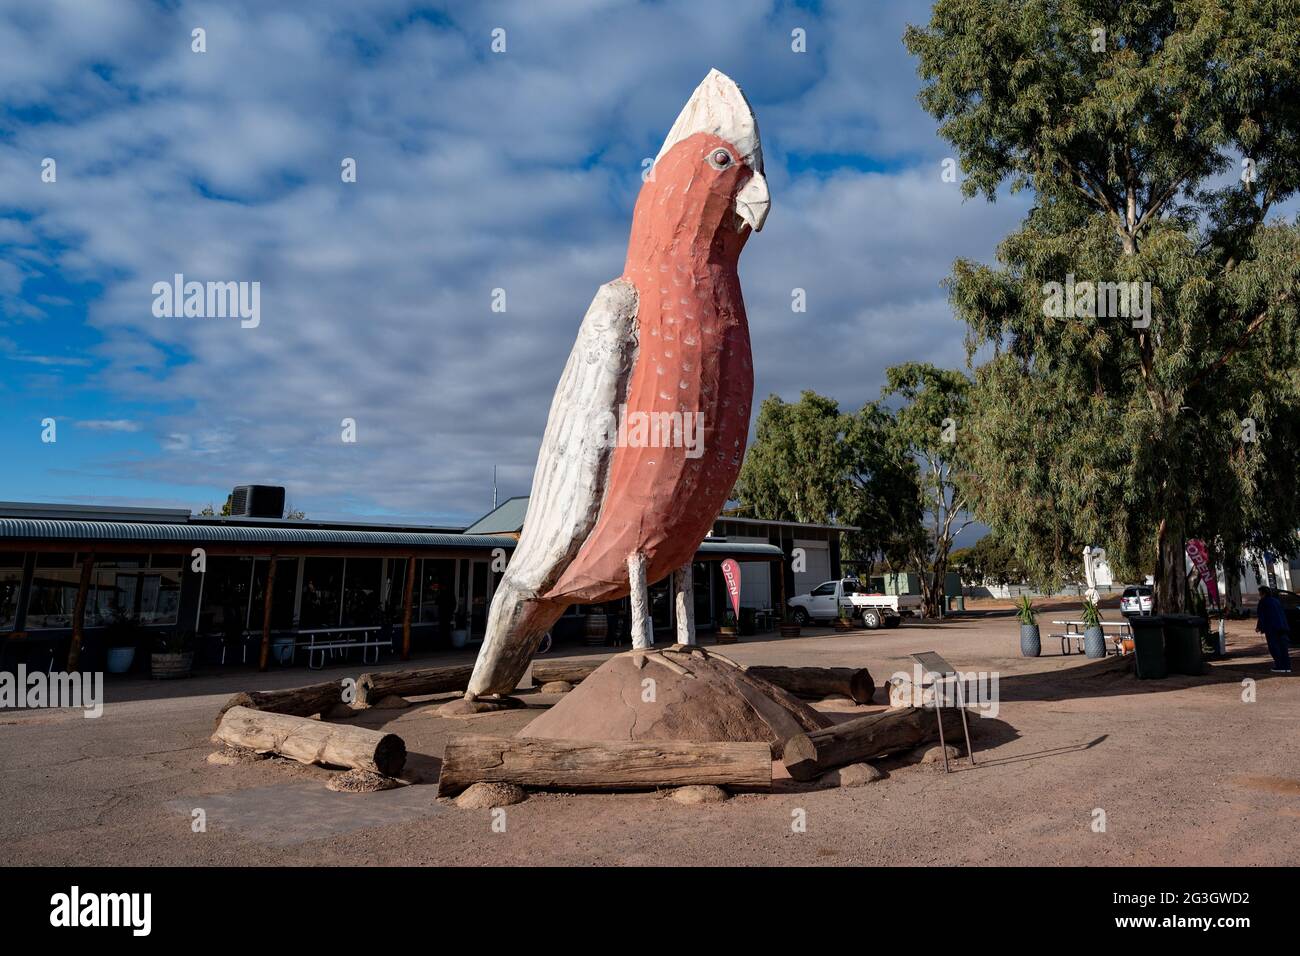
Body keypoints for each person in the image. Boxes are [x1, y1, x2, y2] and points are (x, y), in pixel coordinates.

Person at [1255, 587, 1293, 674]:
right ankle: (1287, 666)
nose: (1259, 595)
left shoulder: (1263, 602)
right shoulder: (1276, 601)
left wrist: (1259, 627)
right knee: (1283, 647)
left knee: (1274, 647)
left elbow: (1262, 616)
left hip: (1272, 628)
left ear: (1263, 593)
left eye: (1260, 593)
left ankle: (1279, 666)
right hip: (1283, 626)